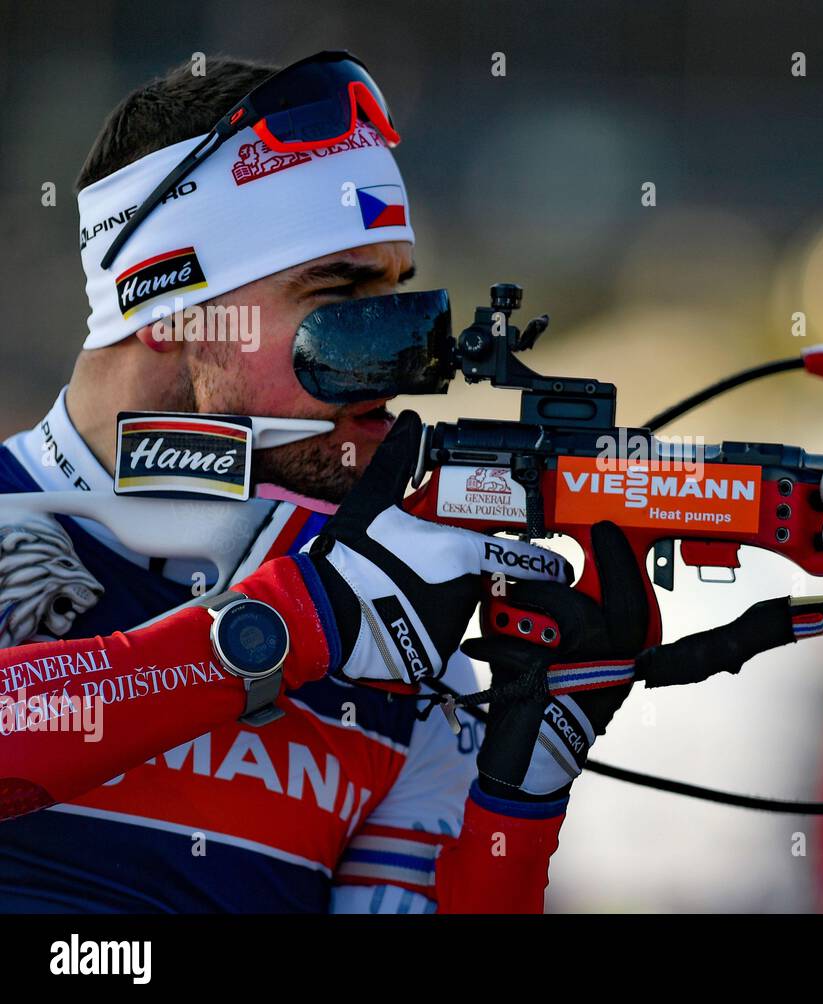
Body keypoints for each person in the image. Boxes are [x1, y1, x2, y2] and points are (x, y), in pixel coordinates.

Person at [0, 51, 725, 914]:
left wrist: (521, 796)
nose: (403, 364)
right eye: (340, 298)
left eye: (398, 295)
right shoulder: (343, 610)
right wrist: (293, 625)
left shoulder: (399, 648)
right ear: (167, 309)